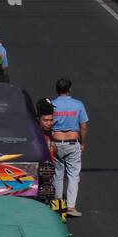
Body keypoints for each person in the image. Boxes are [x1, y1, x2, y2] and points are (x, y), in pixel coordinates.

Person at [51, 77, 89, 217]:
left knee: (58, 174)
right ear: (70, 89)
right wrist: (82, 143)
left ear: (57, 90)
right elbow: (83, 126)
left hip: (56, 143)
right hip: (73, 143)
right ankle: (71, 207)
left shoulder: (52, 105)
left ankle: (58, 204)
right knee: (73, 175)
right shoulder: (78, 104)